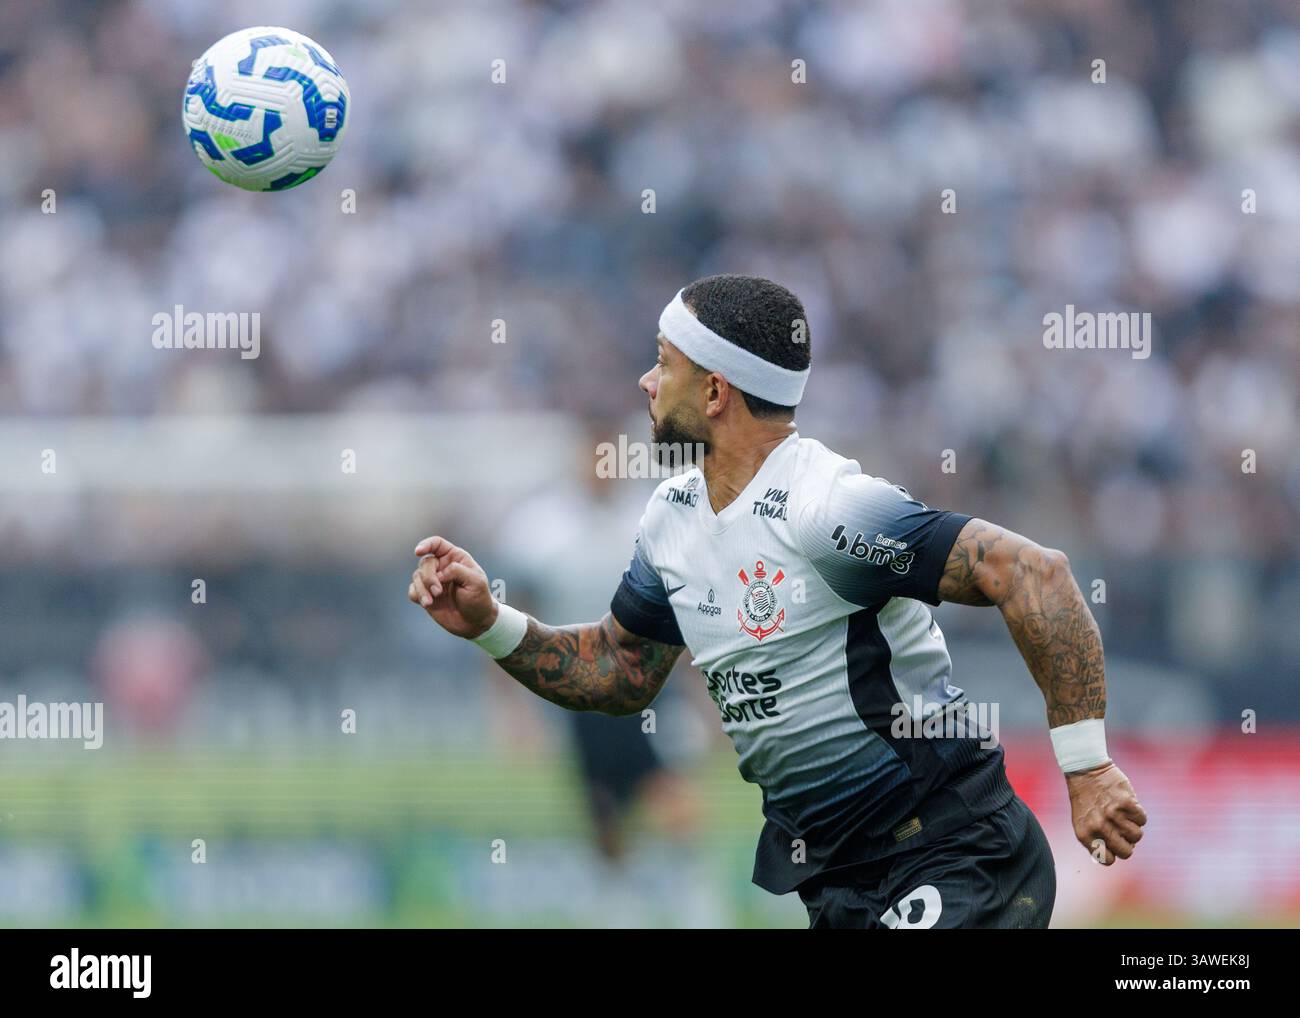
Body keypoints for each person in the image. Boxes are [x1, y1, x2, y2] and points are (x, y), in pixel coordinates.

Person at [408, 273, 1147, 929]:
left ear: (716, 392)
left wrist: (1086, 767)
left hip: (953, 856)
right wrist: (489, 624)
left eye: (663, 363)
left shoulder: (828, 510)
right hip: (839, 886)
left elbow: (1034, 574)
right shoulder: (671, 516)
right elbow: (618, 670)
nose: (644, 381)